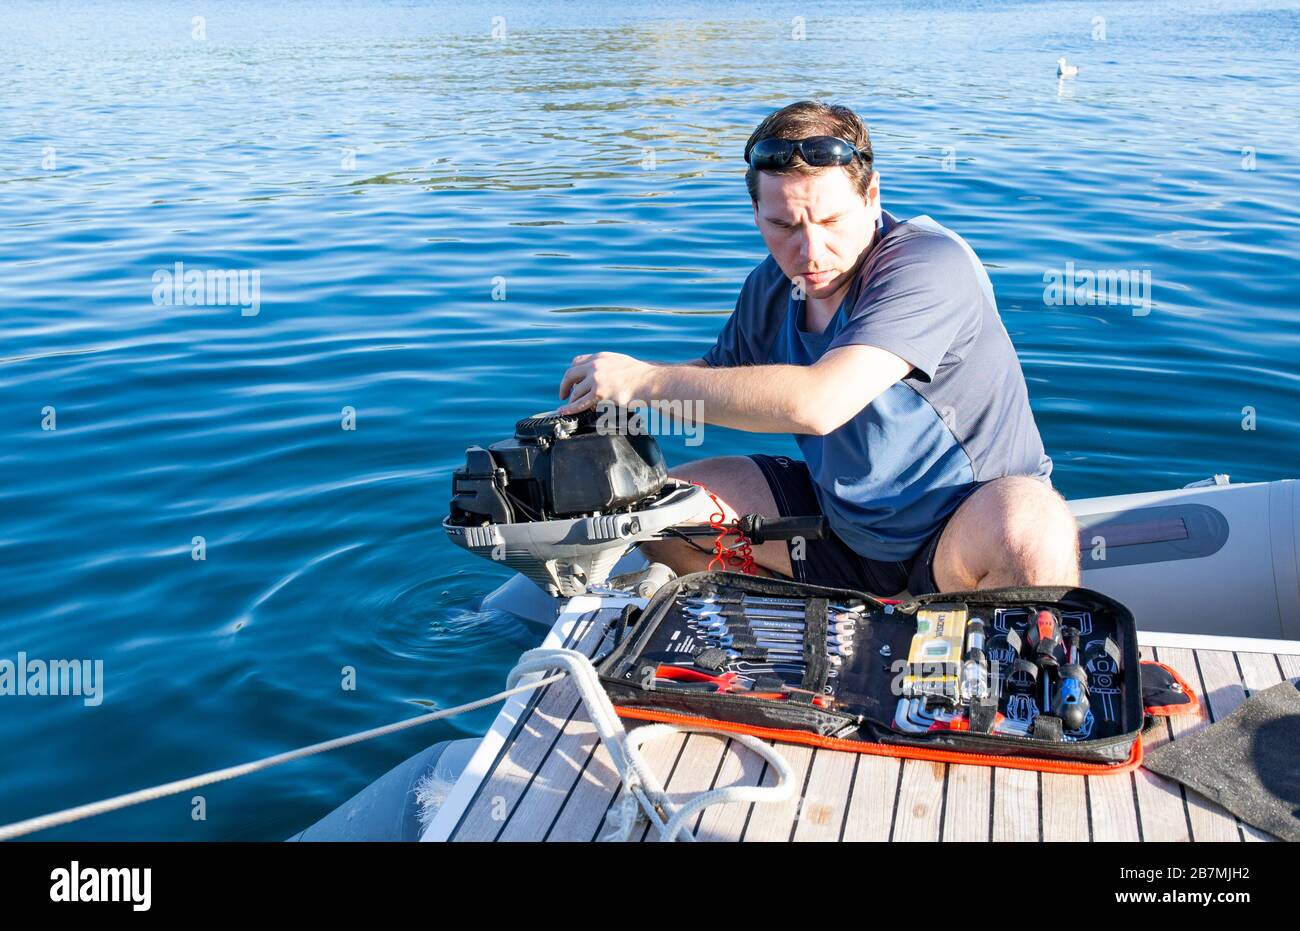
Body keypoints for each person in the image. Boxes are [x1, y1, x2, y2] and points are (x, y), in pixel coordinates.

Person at [557, 100, 1079, 596]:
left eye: (830, 221)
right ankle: (766, 641)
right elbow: (712, 381)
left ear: (871, 197)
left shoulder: (929, 266)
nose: (810, 252)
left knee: (1029, 526)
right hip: (840, 526)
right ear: (756, 213)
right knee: (657, 508)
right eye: (783, 225)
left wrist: (643, 380)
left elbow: (818, 403)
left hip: (957, 530)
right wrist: (611, 398)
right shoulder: (770, 287)